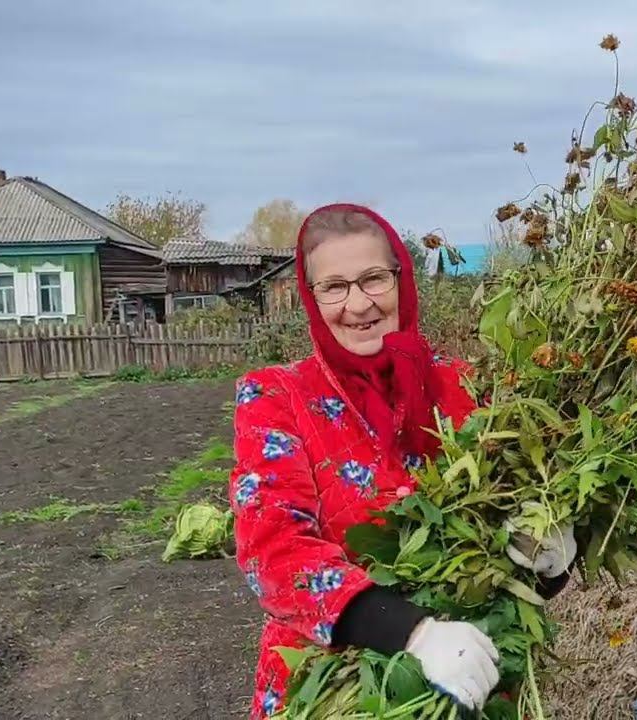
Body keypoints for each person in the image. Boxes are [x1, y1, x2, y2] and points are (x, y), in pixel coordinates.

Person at [230, 204, 577, 719]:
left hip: (471, 680)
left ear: (402, 278)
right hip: (331, 687)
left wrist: (549, 561)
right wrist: (415, 634)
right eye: (334, 287)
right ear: (311, 296)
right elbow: (273, 551)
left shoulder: (467, 388)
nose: (358, 304)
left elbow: (499, 554)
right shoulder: (278, 398)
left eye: (374, 278)